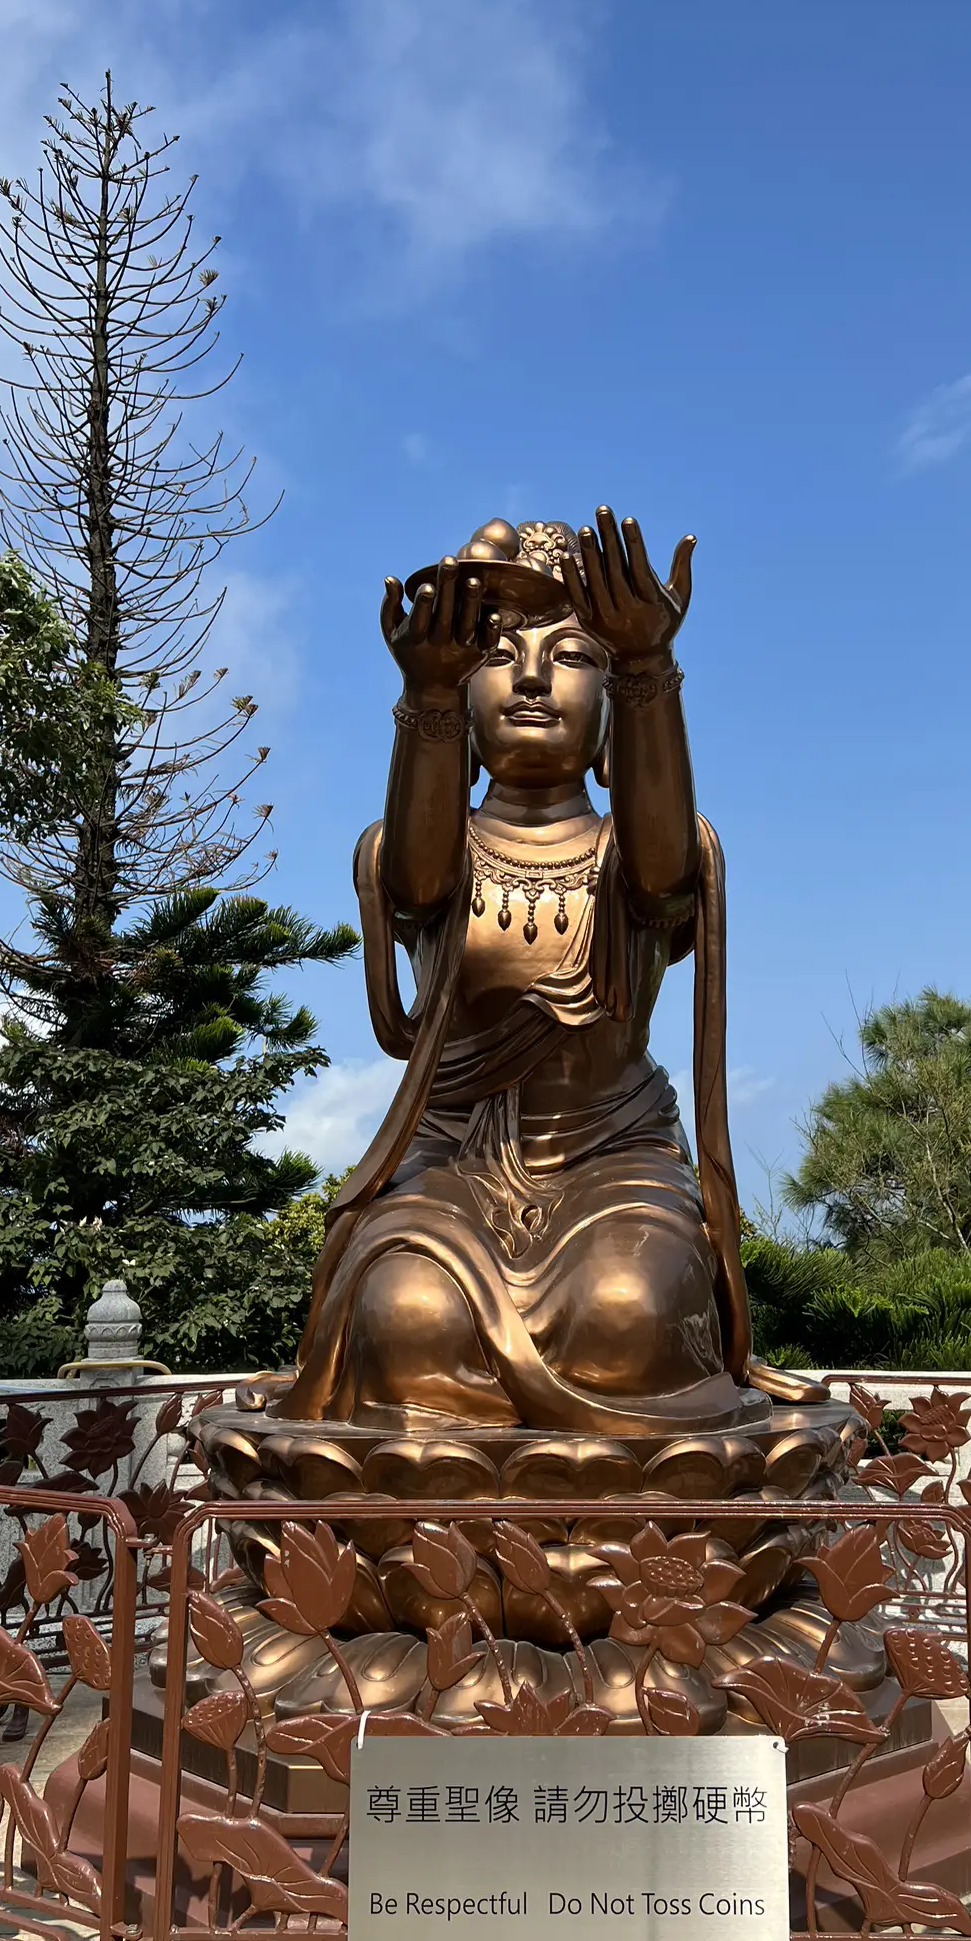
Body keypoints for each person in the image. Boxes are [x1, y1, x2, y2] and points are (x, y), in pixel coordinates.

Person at [281, 509, 769, 1437]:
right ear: (464, 698)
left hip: (612, 1158)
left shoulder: (639, 849)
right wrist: (424, 692)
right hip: (454, 1164)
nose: (536, 677)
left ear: (610, 705)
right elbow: (423, 881)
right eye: (500, 654)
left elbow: (664, 875)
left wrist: (648, 669)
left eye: (575, 656)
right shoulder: (419, 844)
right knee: (404, 1319)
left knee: (629, 1312)